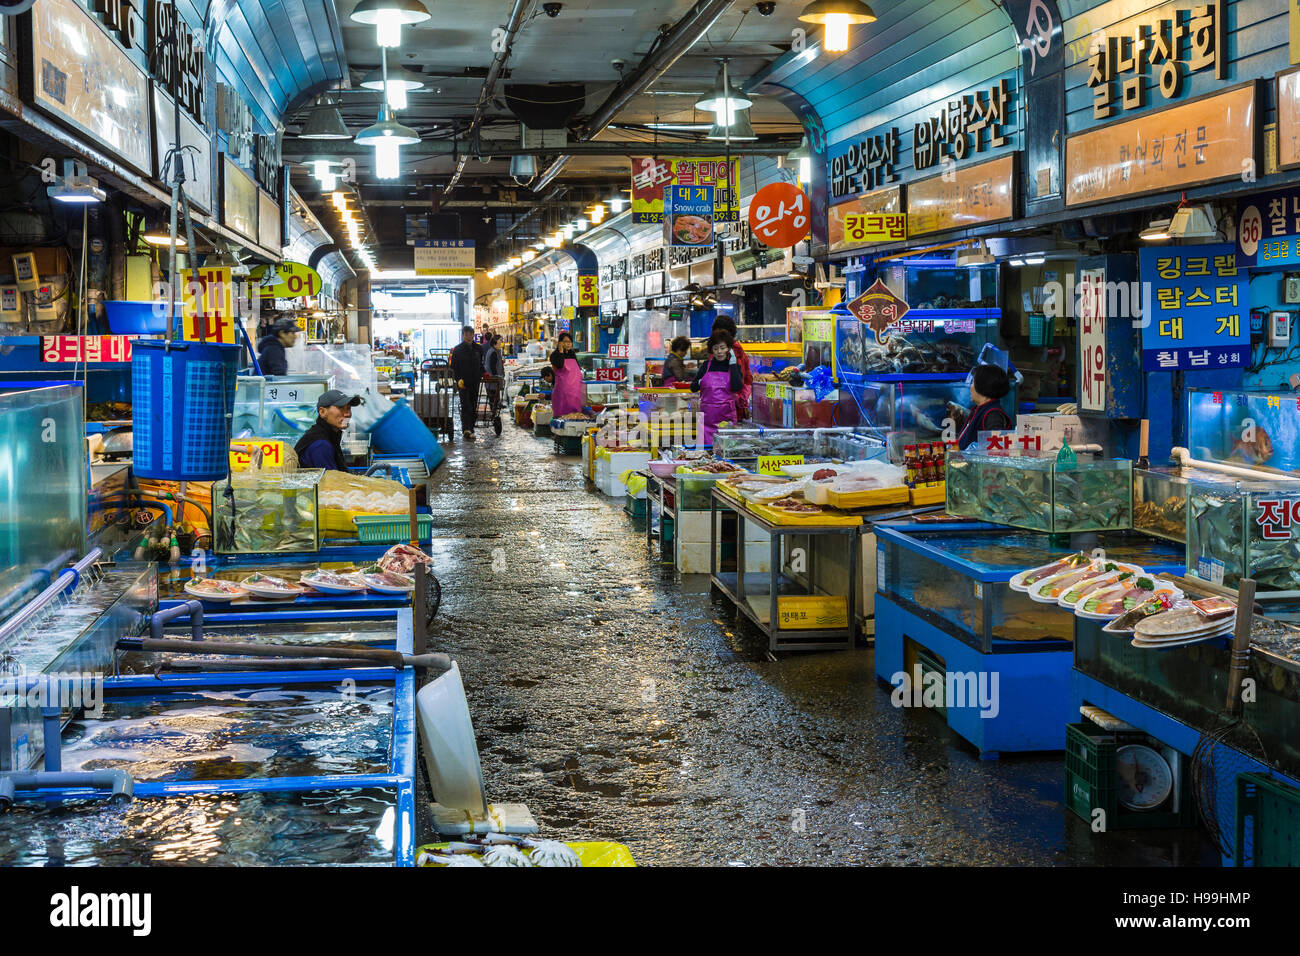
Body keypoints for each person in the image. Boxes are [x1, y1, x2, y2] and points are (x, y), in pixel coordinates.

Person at [690, 329, 744, 445]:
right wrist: (699, 382)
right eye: (715, 348)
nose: (719, 352)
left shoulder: (733, 367)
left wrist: (733, 365)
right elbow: (693, 388)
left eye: (722, 348)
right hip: (707, 420)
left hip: (726, 418)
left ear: (729, 349)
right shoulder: (706, 366)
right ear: (711, 350)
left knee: (726, 448)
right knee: (706, 452)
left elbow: (737, 387)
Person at [295, 390, 363, 471]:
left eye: (348, 408)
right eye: (341, 408)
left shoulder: (330, 435)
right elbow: (331, 481)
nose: (347, 414)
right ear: (322, 412)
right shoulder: (321, 445)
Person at [955, 363, 1014, 449]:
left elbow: (995, 449)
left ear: (982, 386)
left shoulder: (993, 414)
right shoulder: (979, 409)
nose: (970, 387)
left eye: (973, 383)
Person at [711, 315, 752, 421]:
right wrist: (743, 400)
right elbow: (748, 379)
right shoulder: (740, 351)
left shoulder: (722, 353)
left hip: (723, 409)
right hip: (737, 408)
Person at [450, 325, 483, 440]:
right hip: (463, 383)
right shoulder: (457, 349)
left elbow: (482, 364)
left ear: (473, 335)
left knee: (473, 405)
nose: (469, 337)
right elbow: (453, 367)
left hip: (475, 382)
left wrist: (483, 373)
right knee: (465, 405)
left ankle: (471, 428)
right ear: (463, 335)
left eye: (471, 334)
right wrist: (458, 379)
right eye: (466, 334)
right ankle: (466, 429)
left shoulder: (478, 349)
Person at [550, 330, 583, 418]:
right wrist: (561, 351)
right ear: (560, 343)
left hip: (575, 391)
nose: (568, 344)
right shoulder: (554, 355)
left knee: (574, 415)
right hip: (562, 391)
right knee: (561, 415)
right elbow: (560, 365)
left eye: (570, 342)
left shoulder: (572, 354)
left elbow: (577, 369)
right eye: (565, 342)